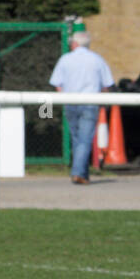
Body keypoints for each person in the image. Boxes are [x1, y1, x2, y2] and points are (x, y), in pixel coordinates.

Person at [49, 29, 115, 184]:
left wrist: (64, 96)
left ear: (75, 43)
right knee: (85, 140)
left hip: (70, 103)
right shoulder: (97, 59)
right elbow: (107, 85)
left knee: (77, 139)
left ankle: (81, 174)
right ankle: (79, 173)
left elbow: (56, 83)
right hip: (90, 103)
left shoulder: (65, 59)